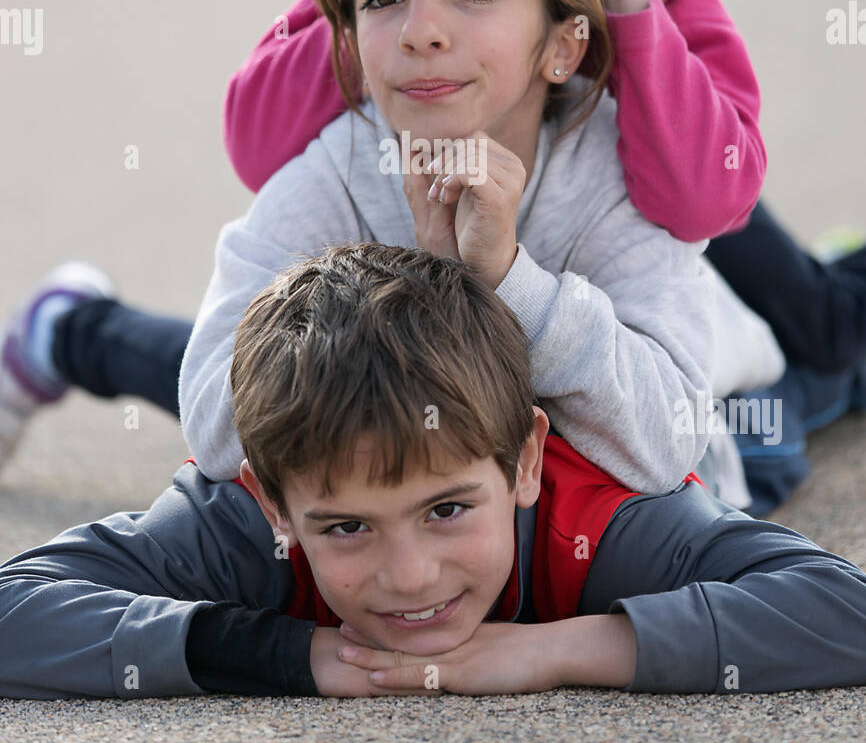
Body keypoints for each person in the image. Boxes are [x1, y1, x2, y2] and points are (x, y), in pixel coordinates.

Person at [1, 0, 785, 497]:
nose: (420, 31)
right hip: (450, 476)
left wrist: (508, 279)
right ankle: (69, 330)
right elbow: (214, 427)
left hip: (730, 406)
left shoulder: (617, 171)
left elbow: (665, 446)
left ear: (562, 44)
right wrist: (405, 316)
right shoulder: (336, 171)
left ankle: (73, 331)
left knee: (809, 388)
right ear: (347, 43)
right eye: (381, 0)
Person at [1, 241, 864, 701]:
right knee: (263, 396)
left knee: (811, 387)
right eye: (346, 527)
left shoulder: (610, 511)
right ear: (270, 505)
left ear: (526, 460)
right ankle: (71, 328)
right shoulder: (239, 518)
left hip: (708, 403)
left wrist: (552, 652)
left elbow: (845, 611)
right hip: (373, 402)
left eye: (448, 510)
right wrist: (263, 651)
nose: (409, 577)